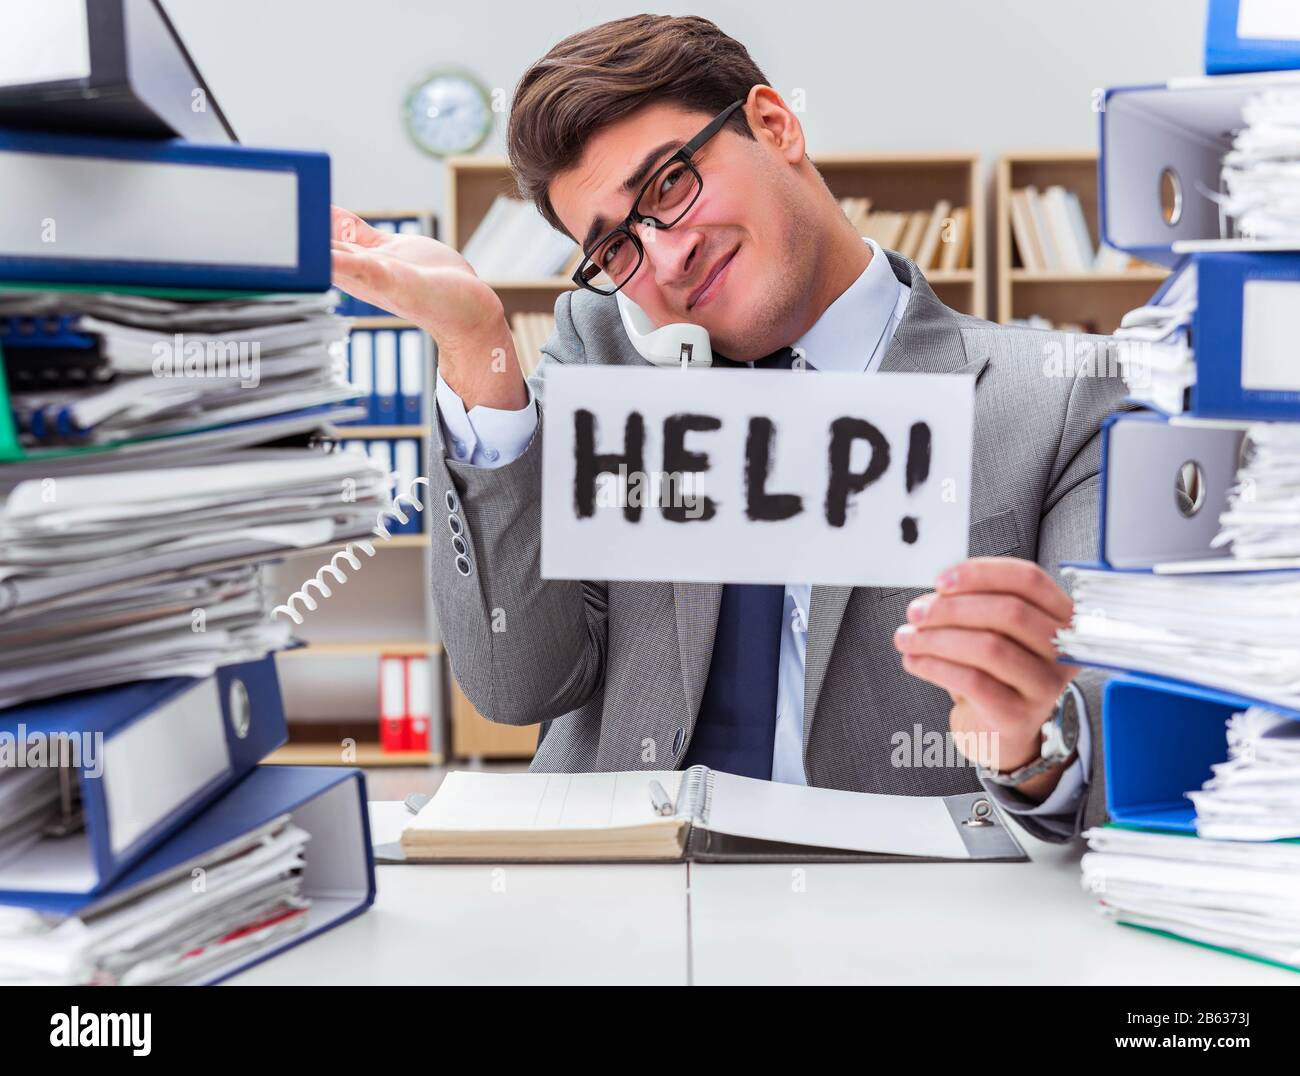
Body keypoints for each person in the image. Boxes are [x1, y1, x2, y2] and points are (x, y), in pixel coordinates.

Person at [331, 14, 1129, 840]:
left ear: (774, 125)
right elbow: (515, 685)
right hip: (621, 917)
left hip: (897, 924)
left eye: (670, 185)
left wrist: (1036, 742)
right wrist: (474, 347)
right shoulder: (603, 360)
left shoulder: (1056, 400)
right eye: (615, 248)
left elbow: (1117, 742)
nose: (666, 257)